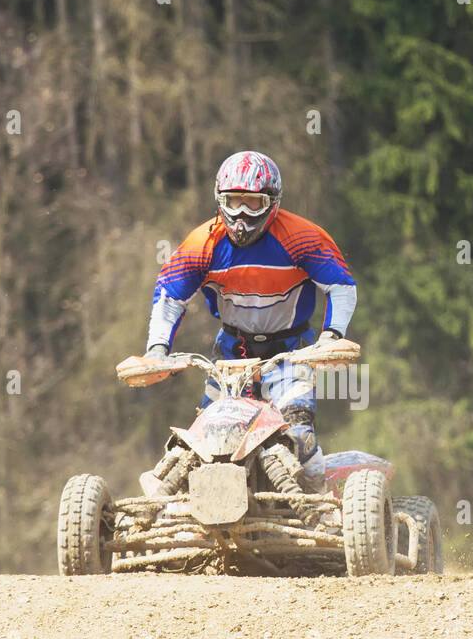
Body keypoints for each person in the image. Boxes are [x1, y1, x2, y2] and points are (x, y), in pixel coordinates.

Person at [143, 150, 357, 488]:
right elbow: (169, 297)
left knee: (298, 436)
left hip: (290, 352)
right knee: (205, 445)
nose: (241, 215)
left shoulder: (302, 236)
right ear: (219, 200)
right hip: (230, 354)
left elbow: (341, 286)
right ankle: (174, 507)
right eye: (233, 202)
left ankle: (325, 512)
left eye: (253, 204)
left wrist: (331, 336)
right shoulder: (202, 244)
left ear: (273, 202)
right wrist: (157, 349)